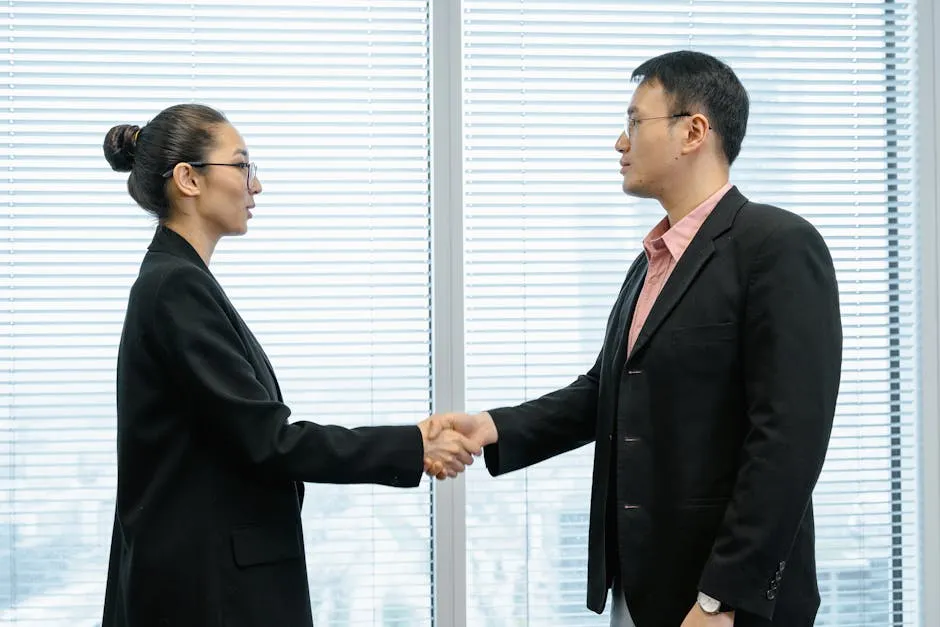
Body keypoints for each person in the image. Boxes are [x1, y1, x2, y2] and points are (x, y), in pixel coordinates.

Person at [426, 50, 842, 627]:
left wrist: (721, 598)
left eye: (633, 123)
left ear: (693, 131)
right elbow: (606, 390)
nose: (620, 144)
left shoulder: (778, 246)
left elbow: (789, 442)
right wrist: (491, 427)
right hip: (643, 589)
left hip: (723, 603)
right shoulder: (651, 262)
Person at [100, 103, 479, 627]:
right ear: (188, 179)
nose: (256, 185)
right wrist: (414, 443)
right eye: (242, 165)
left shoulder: (179, 280)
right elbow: (269, 440)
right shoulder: (175, 287)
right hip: (205, 595)